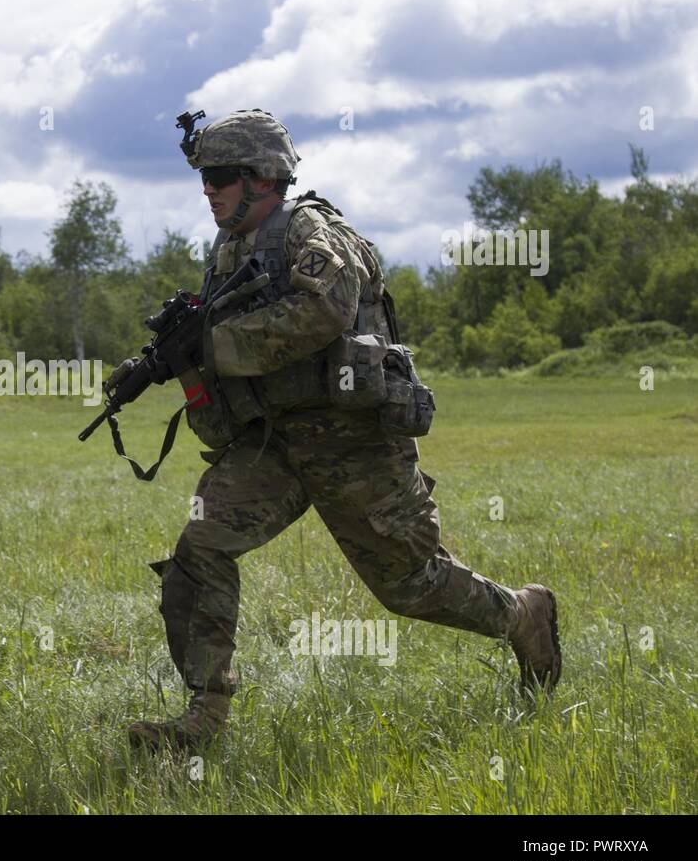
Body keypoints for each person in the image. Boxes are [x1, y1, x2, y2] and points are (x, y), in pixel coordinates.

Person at [115, 109, 561, 752]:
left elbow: (325, 311)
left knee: (411, 585)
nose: (208, 191)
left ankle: (522, 615)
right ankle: (203, 719)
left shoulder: (310, 232)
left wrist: (217, 345)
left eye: (220, 177)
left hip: (353, 441)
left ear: (264, 176)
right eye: (204, 179)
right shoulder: (229, 249)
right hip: (273, 444)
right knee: (201, 549)